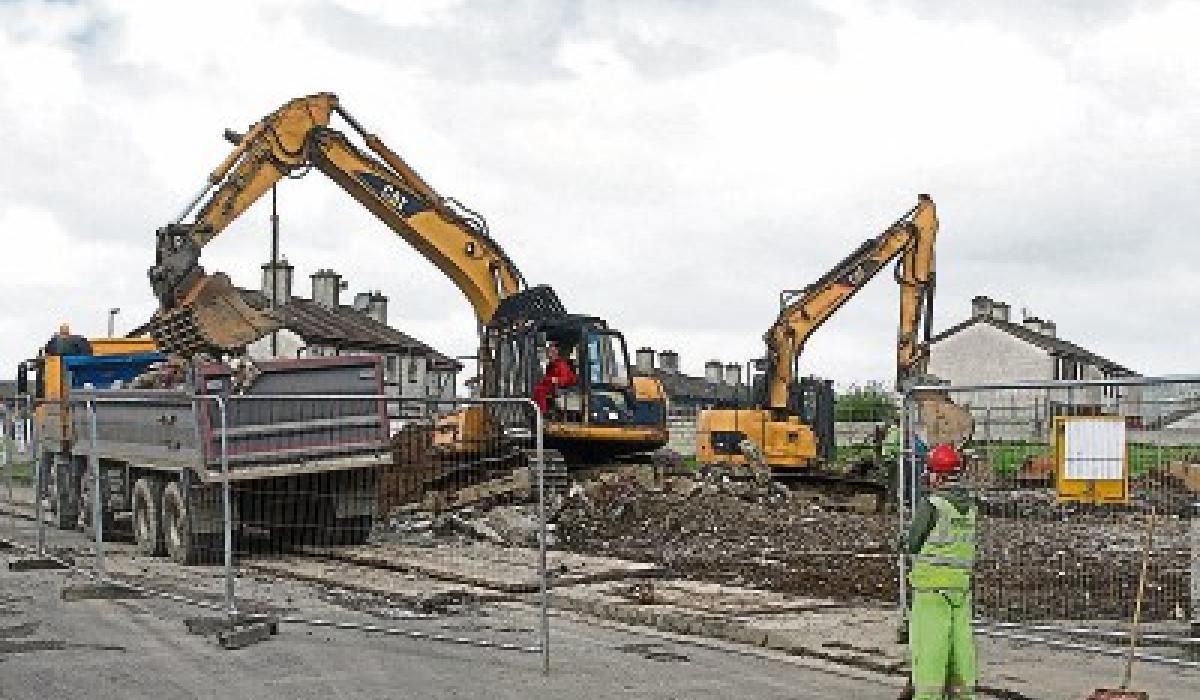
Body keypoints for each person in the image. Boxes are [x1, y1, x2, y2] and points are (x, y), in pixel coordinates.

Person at [903, 443, 977, 700]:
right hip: (960, 591)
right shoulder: (969, 508)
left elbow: (912, 542)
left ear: (938, 475)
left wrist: (901, 541)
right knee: (960, 654)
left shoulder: (933, 504)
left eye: (930, 472)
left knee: (930, 654)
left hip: (931, 592)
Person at [532, 342, 576, 415]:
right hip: (551, 386)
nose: (549, 355)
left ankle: (542, 413)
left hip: (560, 387)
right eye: (548, 352)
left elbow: (565, 379)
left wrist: (554, 379)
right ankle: (536, 410)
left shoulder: (561, 364)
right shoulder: (551, 365)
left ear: (556, 353)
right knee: (536, 389)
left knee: (539, 390)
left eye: (551, 352)